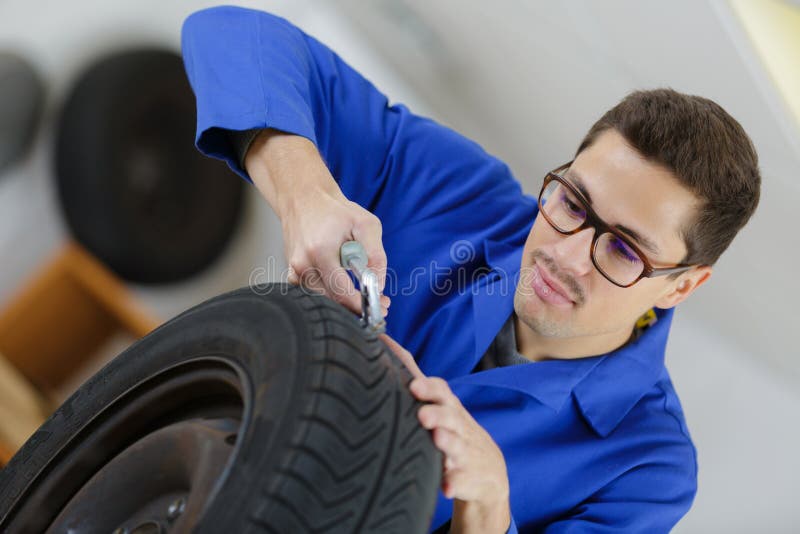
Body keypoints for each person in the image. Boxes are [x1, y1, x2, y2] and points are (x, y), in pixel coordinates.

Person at [181, 6, 760, 533]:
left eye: (624, 251)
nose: (565, 255)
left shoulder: (649, 469)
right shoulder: (462, 194)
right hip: (172, 473)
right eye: (573, 204)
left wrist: (487, 506)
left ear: (682, 285)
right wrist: (305, 194)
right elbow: (230, 33)